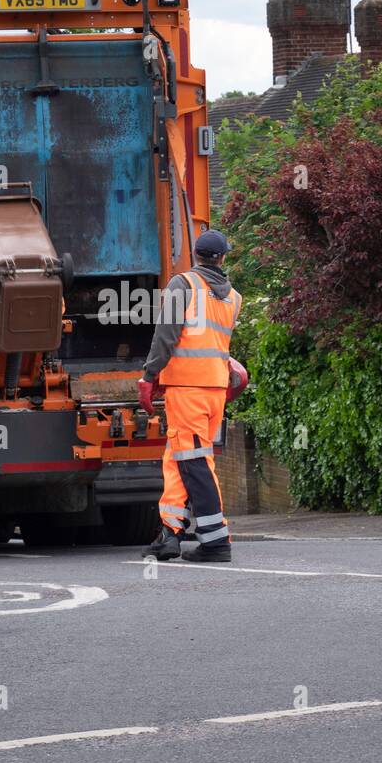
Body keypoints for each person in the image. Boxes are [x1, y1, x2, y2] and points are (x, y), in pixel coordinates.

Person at [138, 230, 242, 563]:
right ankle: (170, 534)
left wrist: (149, 375)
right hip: (215, 391)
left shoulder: (183, 285)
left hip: (187, 390)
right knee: (178, 459)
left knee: (195, 463)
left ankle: (215, 541)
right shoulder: (233, 298)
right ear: (222, 258)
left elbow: (165, 336)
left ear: (196, 255)